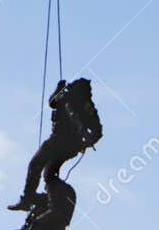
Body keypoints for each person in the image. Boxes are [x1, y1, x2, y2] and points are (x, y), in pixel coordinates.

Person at [8, 78, 102, 211]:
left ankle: (28, 200)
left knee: (36, 164)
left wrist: (84, 143)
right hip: (69, 146)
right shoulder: (82, 103)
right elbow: (53, 103)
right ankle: (49, 200)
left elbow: (53, 102)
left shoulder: (77, 100)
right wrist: (83, 144)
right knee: (49, 174)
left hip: (59, 141)